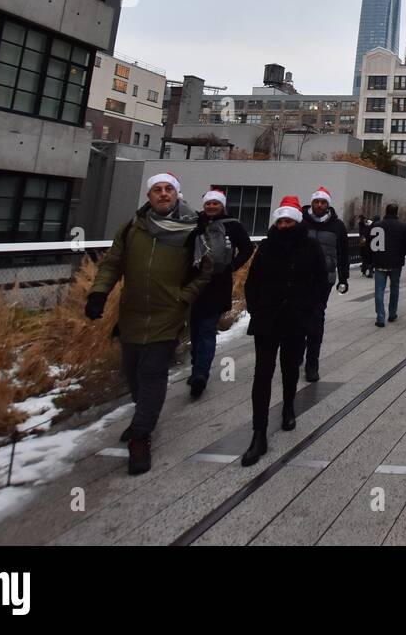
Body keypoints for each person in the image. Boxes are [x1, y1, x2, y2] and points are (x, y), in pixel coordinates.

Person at [86, 173, 214, 476]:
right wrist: (98, 293)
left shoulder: (193, 228)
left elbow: (206, 269)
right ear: (149, 196)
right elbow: (112, 263)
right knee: (131, 369)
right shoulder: (132, 228)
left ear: (178, 194)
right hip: (131, 311)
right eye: (157, 189)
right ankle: (143, 415)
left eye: (169, 189)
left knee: (153, 371)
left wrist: (183, 298)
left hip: (167, 313)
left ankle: (141, 434)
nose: (163, 194)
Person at [241, 196, 328, 466]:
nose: (284, 225)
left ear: (297, 221)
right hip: (267, 319)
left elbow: (320, 281)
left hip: (295, 319)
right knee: (262, 374)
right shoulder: (267, 247)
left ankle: (289, 406)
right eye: (280, 221)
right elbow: (252, 282)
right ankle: (259, 432)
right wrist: (257, 309)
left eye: (289, 220)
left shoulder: (311, 247)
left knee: (290, 368)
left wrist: (308, 309)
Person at [187, 189, 253, 399]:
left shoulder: (232, 225)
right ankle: (197, 364)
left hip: (218, 282)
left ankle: (200, 373)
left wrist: (231, 266)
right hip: (193, 282)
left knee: (207, 328)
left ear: (222, 205)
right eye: (209, 204)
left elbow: (247, 248)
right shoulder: (194, 223)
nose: (212, 207)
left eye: (216, 203)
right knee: (195, 328)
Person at [301, 186, 349, 382]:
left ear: (328, 204)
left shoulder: (337, 226)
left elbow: (343, 253)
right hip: (301, 278)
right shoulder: (301, 222)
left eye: (323, 202)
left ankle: (312, 363)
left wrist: (344, 278)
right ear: (312, 203)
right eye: (316, 202)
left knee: (316, 319)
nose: (319, 205)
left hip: (324, 280)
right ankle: (297, 350)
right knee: (298, 317)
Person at [368, 203, 406, 327]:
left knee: (379, 290)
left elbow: (370, 245)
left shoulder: (377, 226)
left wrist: (369, 261)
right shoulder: (403, 227)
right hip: (395, 263)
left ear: (386, 211)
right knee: (394, 288)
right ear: (396, 212)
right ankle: (392, 313)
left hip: (379, 262)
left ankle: (380, 317)